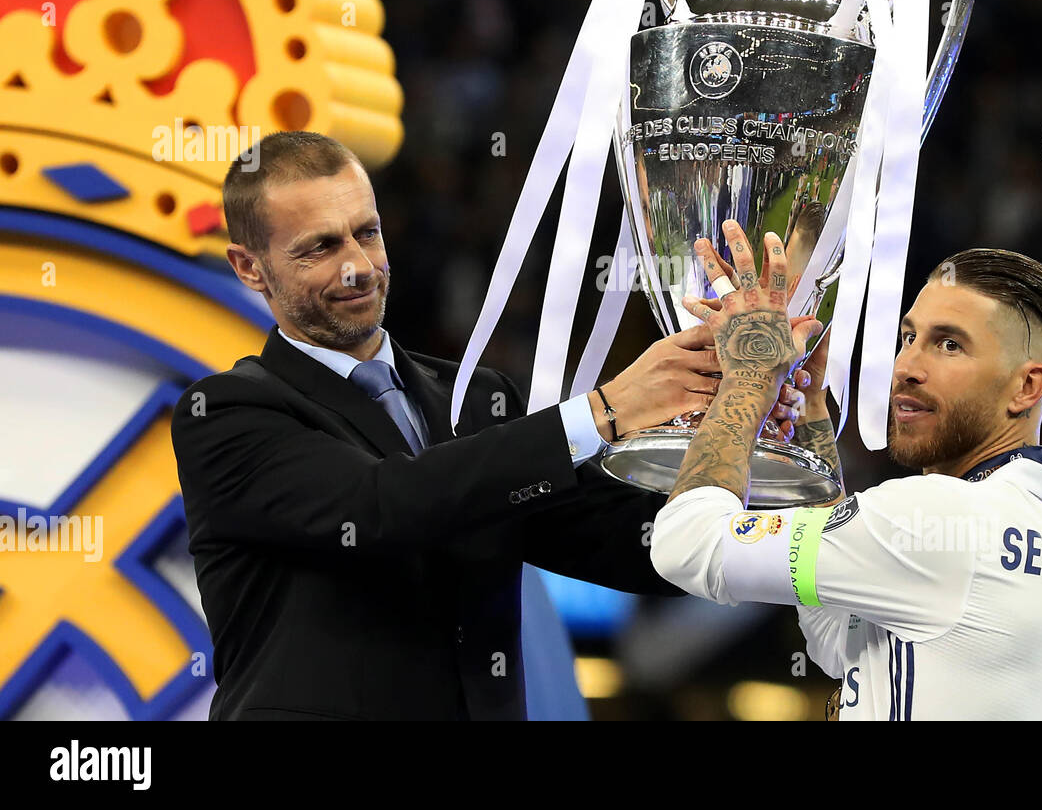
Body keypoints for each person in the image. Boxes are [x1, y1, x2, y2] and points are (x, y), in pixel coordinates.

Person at [171, 133, 808, 720]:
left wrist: (740, 421)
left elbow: (642, 550)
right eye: (320, 247)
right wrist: (605, 410)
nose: (358, 266)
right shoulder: (227, 415)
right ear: (249, 267)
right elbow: (380, 507)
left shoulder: (476, 399)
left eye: (367, 233)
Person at [650, 222, 1042, 720]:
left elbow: (685, 545)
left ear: (1027, 388)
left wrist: (749, 378)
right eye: (909, 337)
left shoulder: (934, 514)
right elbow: (837, 641)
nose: (906, 366)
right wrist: (807, 419)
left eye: (950, 345)